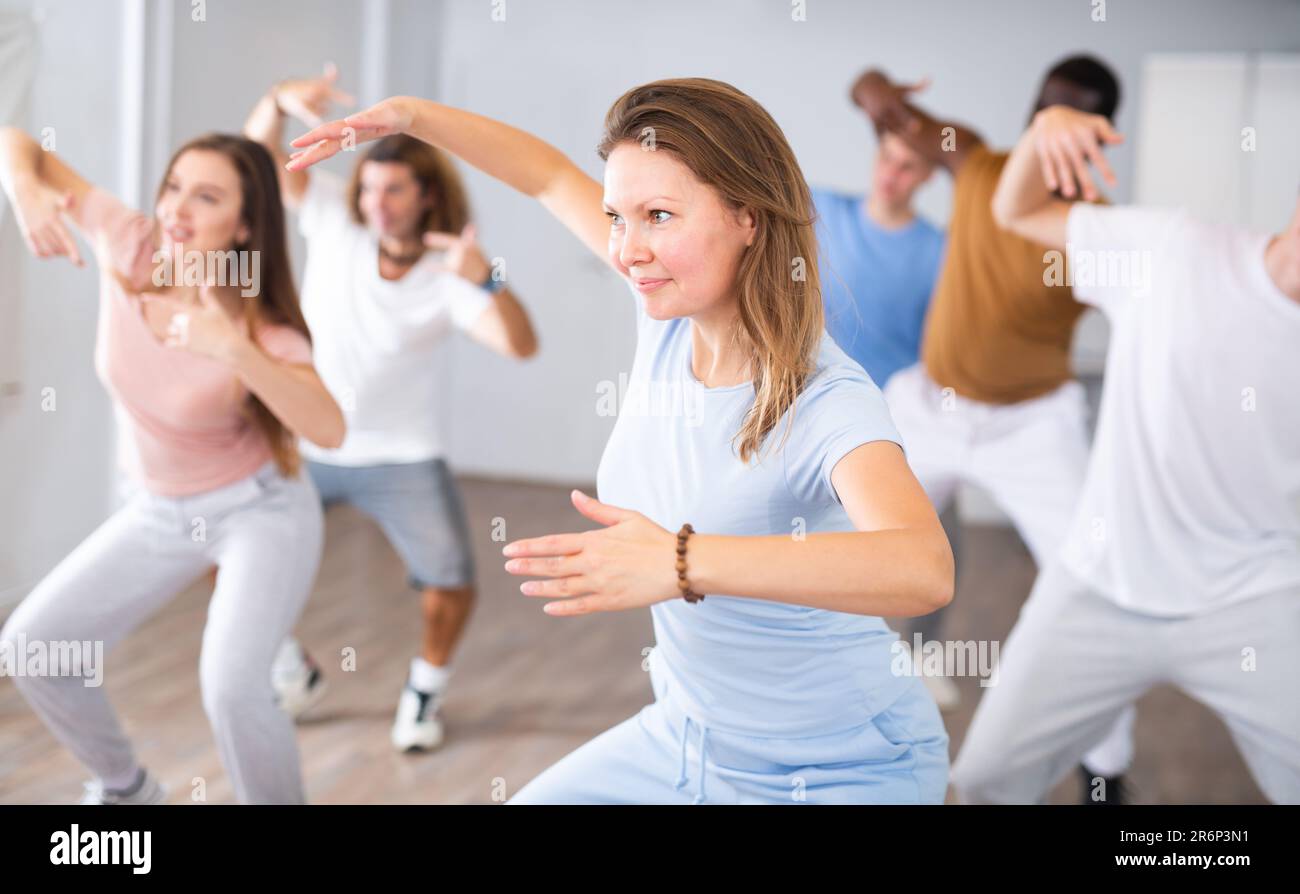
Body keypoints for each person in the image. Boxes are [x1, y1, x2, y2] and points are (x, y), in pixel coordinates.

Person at [286, 77, 955, 804]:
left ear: (748, 216)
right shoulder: (666, 316)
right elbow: (541, 173)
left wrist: (680, 560)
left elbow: (923, 569)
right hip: (689, 737)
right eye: (616, 217)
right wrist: (412, 117)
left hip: (843, 765)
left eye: (659, 215)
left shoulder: (825, 395)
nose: (628, 250)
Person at [951, 104, 1300, 804]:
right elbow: (1017, 211)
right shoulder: (1171, 250)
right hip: (1099, 585)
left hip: (1256, 599)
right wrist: (1042, 132)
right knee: (983, 781)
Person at [0, 128, 344, 804]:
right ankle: (128, 790)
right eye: (174, 187)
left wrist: (236, 350)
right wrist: (25, 190)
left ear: (244, 226)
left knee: (232, 687)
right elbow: (17, 140)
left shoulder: (264, 329)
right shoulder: (131, 245)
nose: (176, 210)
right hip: (158, 509)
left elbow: (330, 427)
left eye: (206, 196)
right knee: (32, 648)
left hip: (259, 511)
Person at [851, 56, 1136, 800]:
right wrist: (879, 89)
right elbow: (879, 105)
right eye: (1046, 110)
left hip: (1033, 427)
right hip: (931, 408)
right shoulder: (973, 157)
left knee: (1094, 584)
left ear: (1100, 136)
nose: (1050, 130)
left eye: (1073, 117)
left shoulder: (1095, 230)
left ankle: (1106, 771)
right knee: (830, 546)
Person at [243, 66, 538, 752]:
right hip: (307, 442)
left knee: (452, 584)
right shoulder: (332, 223)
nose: (375, 201)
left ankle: (423, 693)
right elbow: (259, 166)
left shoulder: (450, 271)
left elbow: (520, 346)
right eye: (368, 186)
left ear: (425, 194)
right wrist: (275, 102)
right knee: (213, 544)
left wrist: (488, 278)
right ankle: (291, 666)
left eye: (393, 188)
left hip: (401, 453)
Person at [811, 118, 954, 706]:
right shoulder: (819, 210)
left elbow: (941, 343)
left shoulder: (938, 250)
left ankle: (923, 654)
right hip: (813, 399)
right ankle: (825, 656)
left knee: (933, 527)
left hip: (898, 414)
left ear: (926, 178)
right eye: (887, 158)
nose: (892, 175)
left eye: (909, 167)